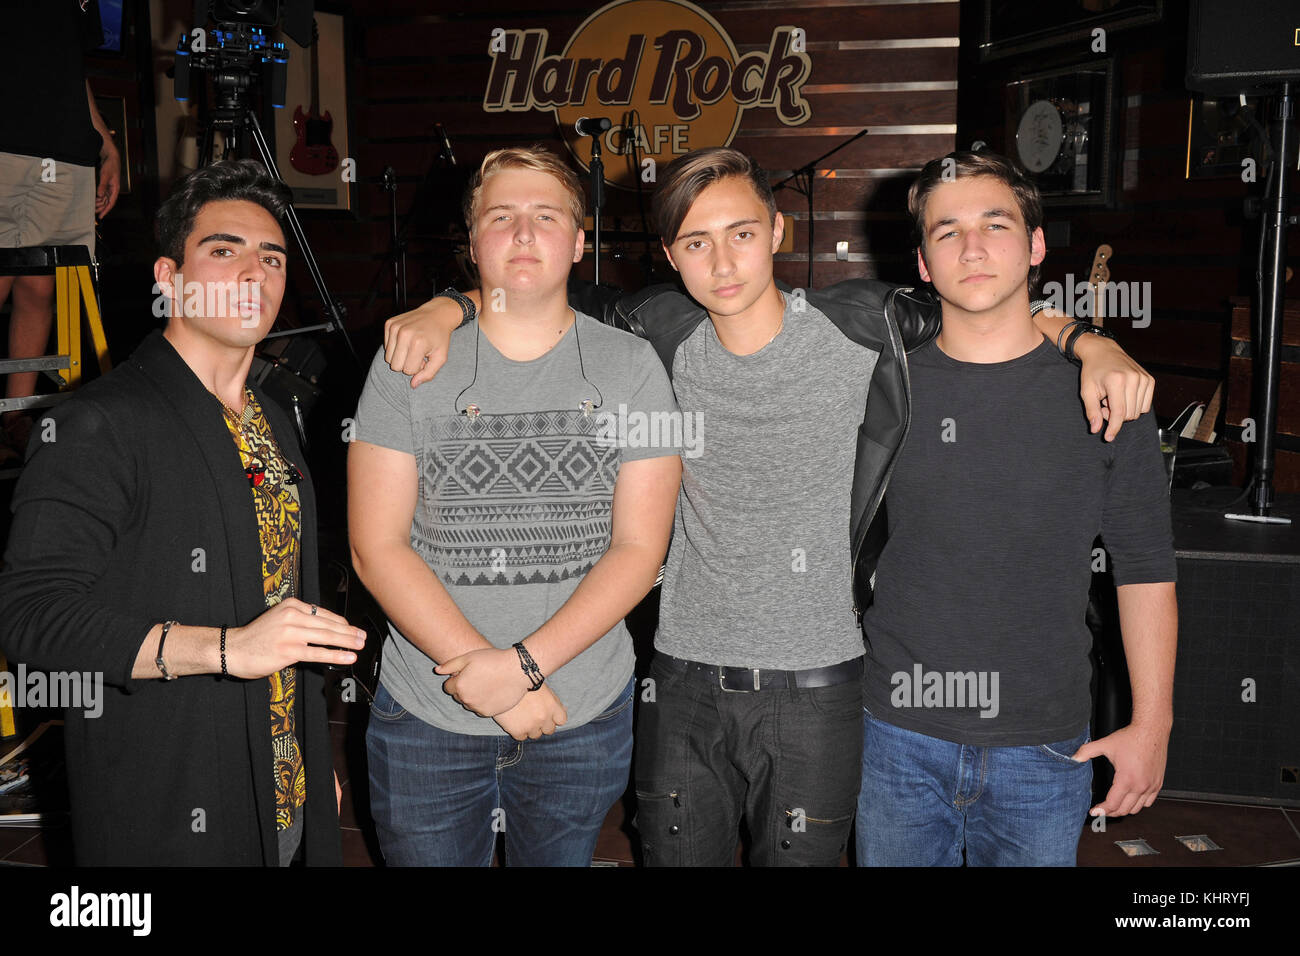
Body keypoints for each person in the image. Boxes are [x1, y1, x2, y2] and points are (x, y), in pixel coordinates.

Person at [379, 146, 1153, 866]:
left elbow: (986, 309)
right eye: (693, 242)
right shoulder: (656, 335)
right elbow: (536, 282)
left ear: (778, 230)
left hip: (823, 687)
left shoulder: (868, 327)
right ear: (670, 257)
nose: (721, 262)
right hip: (681, 681)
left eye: (741, 233)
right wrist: (448, 306)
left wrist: (1088, 338)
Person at [0, 159, 364, 865]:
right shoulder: (100, 424)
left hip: (281, 782)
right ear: (169, 278)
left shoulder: (275, 419)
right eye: (223, 250)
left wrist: (307, 764)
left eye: (271, 257)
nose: (253, 273)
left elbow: (284, 609)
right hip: (167, 798)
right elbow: (30, 617)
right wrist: (225, 649)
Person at [348, 146, 681, 867]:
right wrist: (494, 681)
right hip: (426, 716)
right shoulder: (407, 361)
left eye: (546, 216)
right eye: (501, 217)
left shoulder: (633, 366)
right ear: (471, 245)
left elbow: (639, 550)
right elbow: (376, 548)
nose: (524, 234)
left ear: (580, 239)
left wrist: (524, 667)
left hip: (581, 712)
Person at [854, 150, 1177, 866]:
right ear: (923, 262)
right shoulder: (877, 390)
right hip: (896, 734)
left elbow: (1145, 569)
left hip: (1046, 743)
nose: (972, 247)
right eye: (947, 231)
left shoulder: (1108, 395)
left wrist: (1152, 725)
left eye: (996, 225)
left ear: (1034, 246)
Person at [1, 0, 122, 462]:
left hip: (66, 152)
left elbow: (69, 69)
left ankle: (16, 413)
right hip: (5, 145)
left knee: (39, 290)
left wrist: (105, 142)